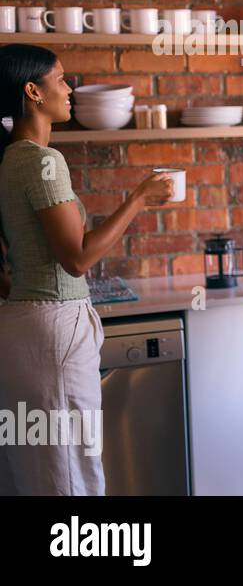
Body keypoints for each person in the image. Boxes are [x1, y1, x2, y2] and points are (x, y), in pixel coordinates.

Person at [0, 44, 171, 495]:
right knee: (70, 475)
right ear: (32, 92)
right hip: (53, 328)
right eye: (60, 79)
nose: (69, 88)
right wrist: (138, 199)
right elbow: (76, 257)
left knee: (34, 472)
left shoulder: (8, 161)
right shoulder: (41, 161)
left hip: (22, 324)